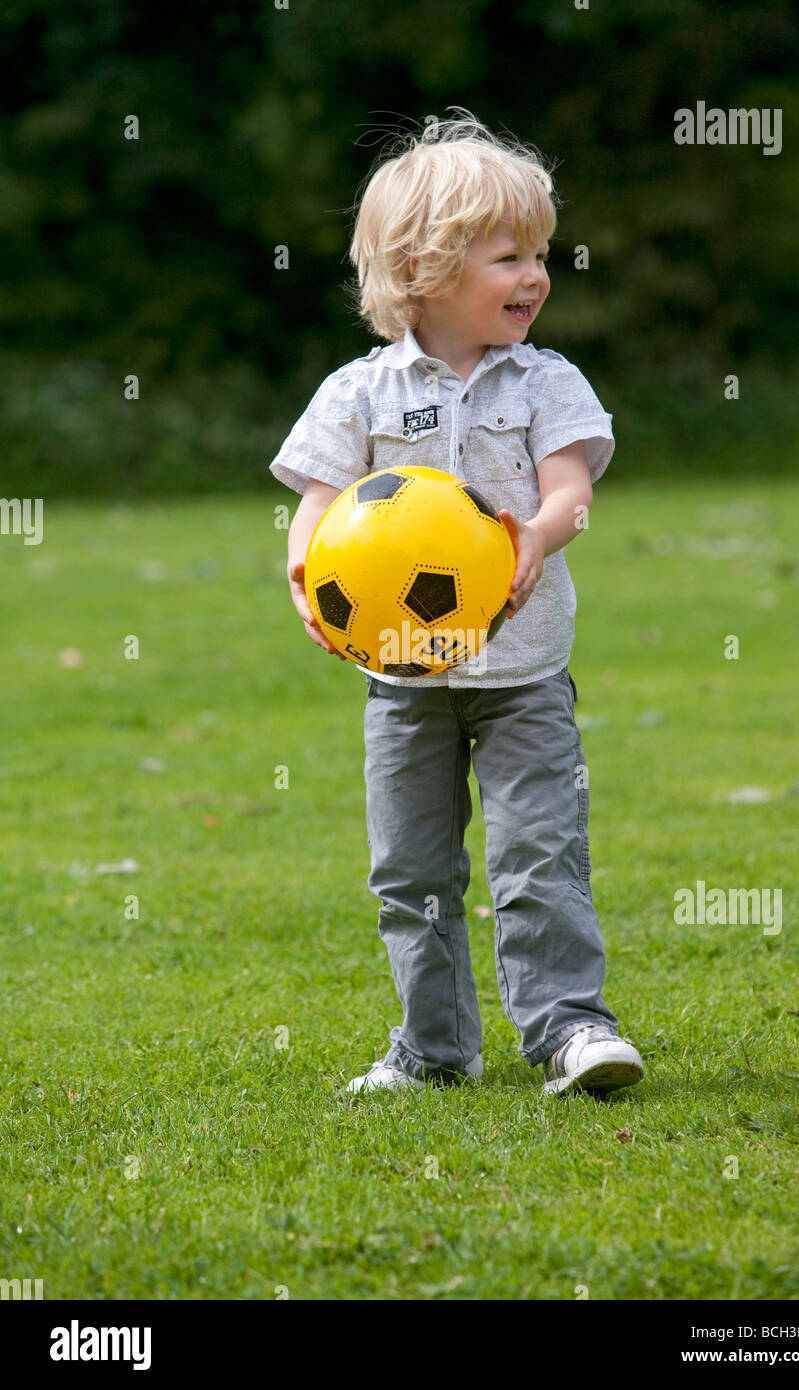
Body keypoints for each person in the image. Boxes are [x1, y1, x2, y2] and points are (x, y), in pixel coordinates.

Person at [270, 109, 644, 1099]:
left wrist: (535, 532)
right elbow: (315, 508)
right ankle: (429, 1050)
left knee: (538, 854)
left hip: (523, 673)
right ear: (423, 271)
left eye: (540, 254)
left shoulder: (545, 381)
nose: (534, 276)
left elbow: (570, 489)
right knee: (408, 871)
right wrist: (307, 578)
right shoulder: (360, 395)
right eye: (506, 256)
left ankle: (570, 1030)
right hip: (399, 678)